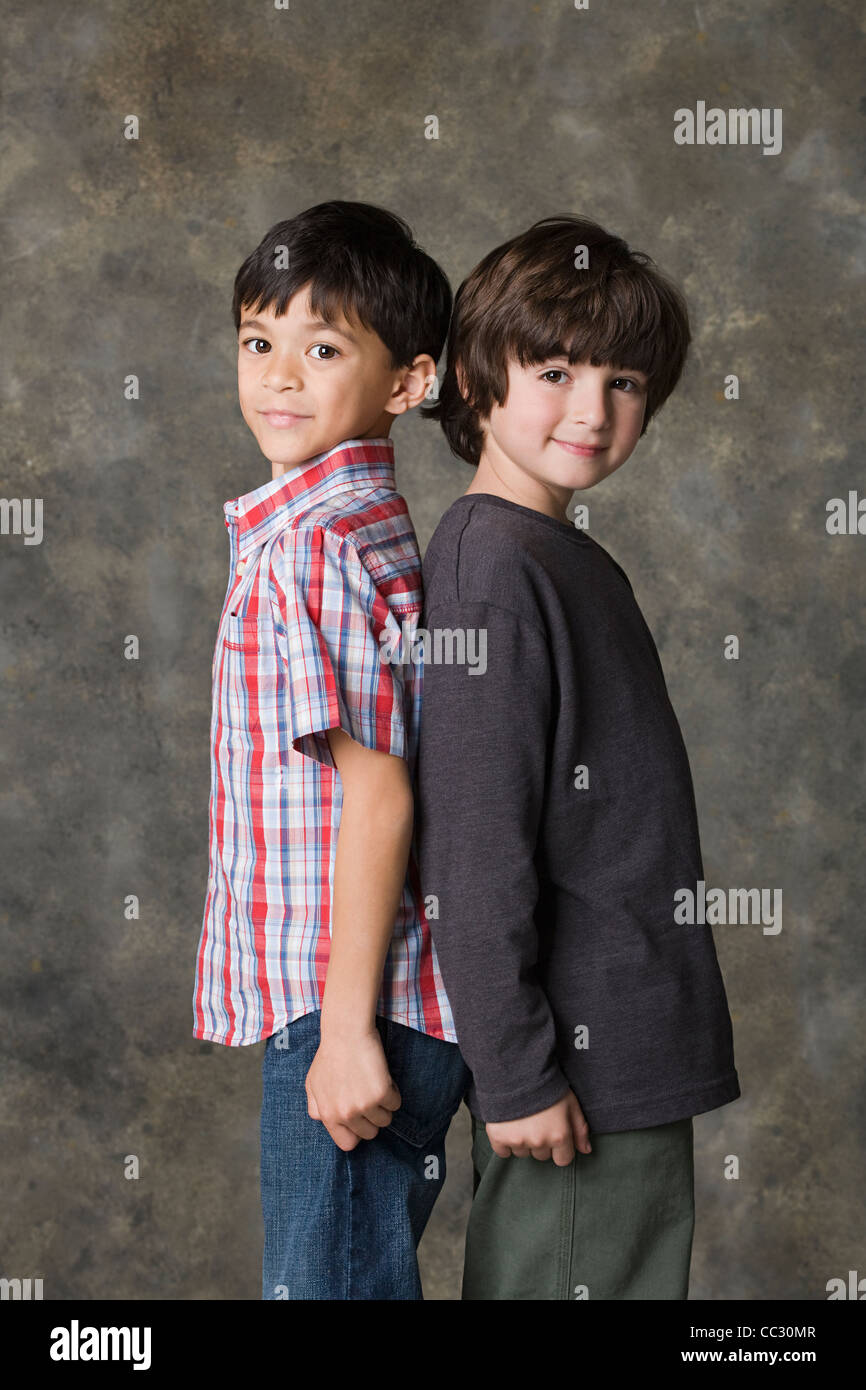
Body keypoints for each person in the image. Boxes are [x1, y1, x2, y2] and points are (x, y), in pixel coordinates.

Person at [415, 214, 741, 1300]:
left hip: (633, 1045)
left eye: (626, 382)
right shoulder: (491, 567)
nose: (592, 409)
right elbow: (470, 845)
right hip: (573, 1073)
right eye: (553, 370)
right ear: (474, 375)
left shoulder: (557, 554)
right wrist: (514, 1074)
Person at [192, 201, 469, 1300]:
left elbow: (381, 792)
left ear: (406, 383)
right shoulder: (362, 523)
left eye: (322, 349)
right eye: (260, 342)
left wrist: (344, 1030)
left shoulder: (308, 549)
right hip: (370, 997)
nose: (280, 377)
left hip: (350, 1002)